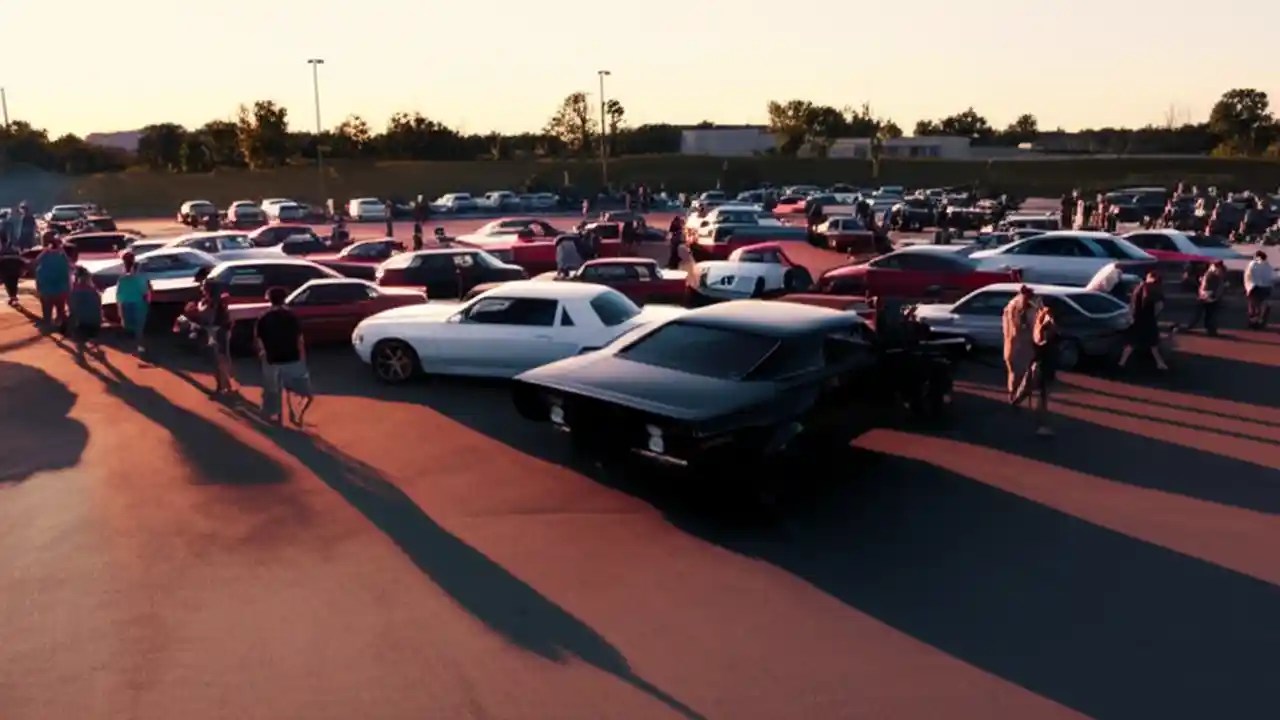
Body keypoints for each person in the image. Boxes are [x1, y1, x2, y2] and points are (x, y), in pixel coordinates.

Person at [255, 286, 313, 426]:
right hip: (292, 358)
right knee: (299, 389)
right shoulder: (292, 316)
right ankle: (297, 415)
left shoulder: (264, 317)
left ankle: (274, 415)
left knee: (273, 389)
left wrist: (262, 354)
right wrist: (302, 358)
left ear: (269, 300)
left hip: (272, 358)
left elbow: (258, 339)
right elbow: (300, 339)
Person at [1118, 270, 1170, 371]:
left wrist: (1131, 316)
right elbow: (1158, 305)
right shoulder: (1153, 289)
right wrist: (1155, 315)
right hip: (1148, 319)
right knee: (1153, 342)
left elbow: (1132, 304)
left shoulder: (1139, 287)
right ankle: (1160, 363)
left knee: (1132, 341)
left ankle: (1122, 362)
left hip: (1137, 318)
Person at [1002, 285, 1038, 405]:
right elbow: (1031, 327)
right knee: (1022, 373)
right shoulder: (1022, 309)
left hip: (1013, 345)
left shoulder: (1010, 307)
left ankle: (1013, 394)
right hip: (1021, 345)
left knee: (1015, 372)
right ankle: (1016, 395)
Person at [115, 251, 152, 355]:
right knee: (139, 329)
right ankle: (140, 348)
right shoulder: (140, 277)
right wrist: (147, 303)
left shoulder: (121, 278)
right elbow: (146, 292)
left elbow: (119, 295)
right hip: (138, 305)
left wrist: (119, 307)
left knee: (129, 327)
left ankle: (134, 348)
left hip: (125, 304)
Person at [33, 235, 72, 331]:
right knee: (60, 310)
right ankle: (61, 326)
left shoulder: (45, 256)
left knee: (47, 311)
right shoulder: (62, 257)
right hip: (61, 289)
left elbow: (36, 263)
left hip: (46, 289)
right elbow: (69, 268)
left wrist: (45, 251)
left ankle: (48, 325)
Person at [1183, 260, 1226, 335]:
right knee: (1205, 313)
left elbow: (1213, 285)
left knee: (1207, 313)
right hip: (1208, 295)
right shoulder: (1213, 272)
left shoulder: (1214, 272)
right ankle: (1191, 326)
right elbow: (1207, 285)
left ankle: (1209, 328)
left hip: (1209, 295)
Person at [68, 267, 103, 360]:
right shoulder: (93, 290)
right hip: (94, 319)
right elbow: (98, 305)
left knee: (80, 338)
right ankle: (96, 349)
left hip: (81, 319)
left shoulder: (75, 290)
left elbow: (73, 307)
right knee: (93, 335)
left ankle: (80, 356)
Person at [1244, 251, 1274, 328]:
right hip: (1266, 287)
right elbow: (1271, 278)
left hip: (1254, 287)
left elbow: (1247, 275)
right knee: (1263, 305)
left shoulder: (1252, 264)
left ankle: (1253, 322)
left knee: (1253, 305)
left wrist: (1248, 288)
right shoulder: (1268, 266)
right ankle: (1261, 322)